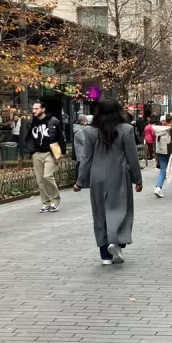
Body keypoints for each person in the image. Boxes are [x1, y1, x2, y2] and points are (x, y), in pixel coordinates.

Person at [74, 98, 143, 266]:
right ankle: (117, 241)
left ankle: (105, 255)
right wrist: (137, 179)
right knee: (121, 209)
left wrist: (80, 181)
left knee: (100, 214)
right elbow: (132, 157)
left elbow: (86, 158)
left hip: (97, 176)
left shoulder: (90, 131)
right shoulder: (126, 130)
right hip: (119, 174)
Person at [25, 101, 64, 213]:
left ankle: (55, 200)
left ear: (43, 109)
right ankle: (46, 203)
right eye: (33, 109)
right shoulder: (32, 122)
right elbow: (28, 137)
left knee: (47, 176)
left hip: (50, 152)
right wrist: (31, 150)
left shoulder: (53, 121)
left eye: (36, 109)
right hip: (37, 153)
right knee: (40, 180)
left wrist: (62, 151)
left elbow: (60, 137)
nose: (34, 111)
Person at [152, 114, 172, 197]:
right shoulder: (171, 129)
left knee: (163, 171)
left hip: (160, 151)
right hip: (170, 151)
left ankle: (158, 187)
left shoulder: (157, 129)